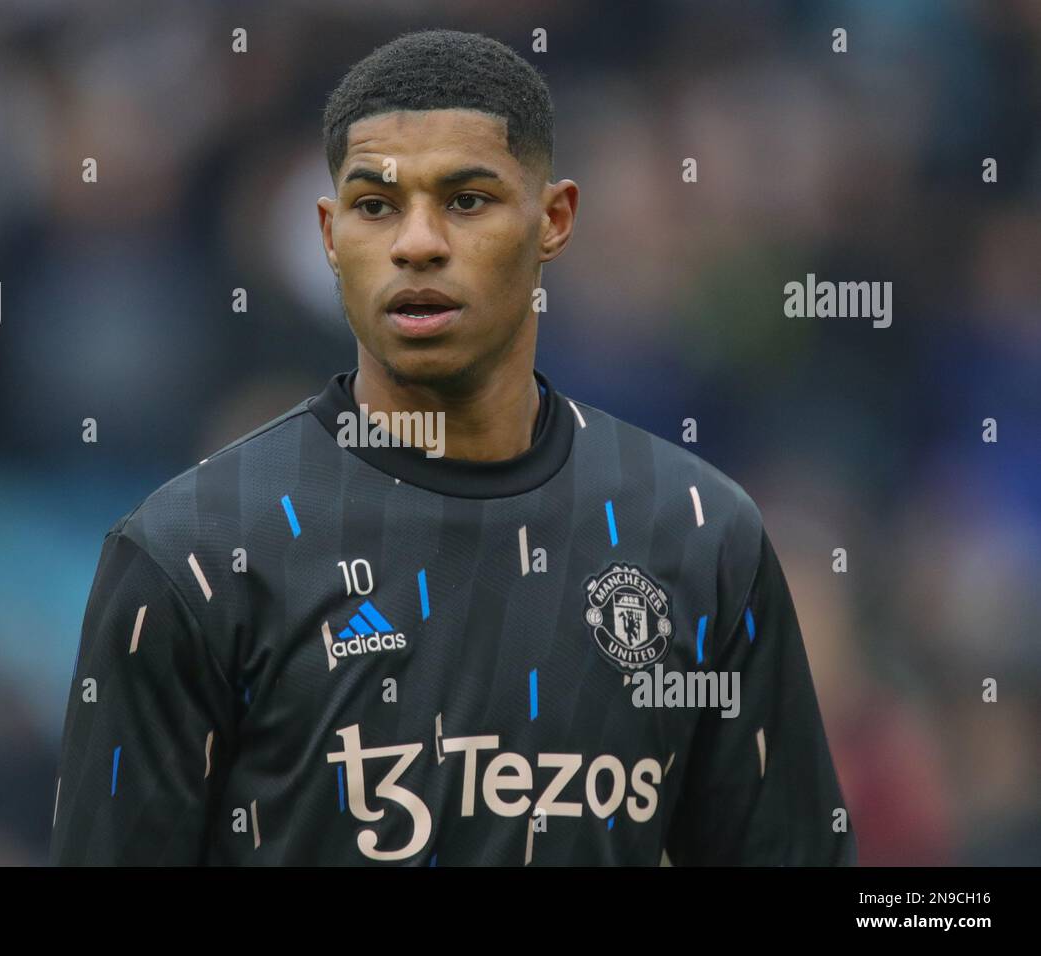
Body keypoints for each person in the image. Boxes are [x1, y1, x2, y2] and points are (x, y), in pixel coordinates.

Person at [48, 28, 856, 866]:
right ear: (329, 235)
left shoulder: (700, 536)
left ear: (554, 220)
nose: (418, 243)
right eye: (375, 205)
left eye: (466, 200)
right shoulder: (195, 555)